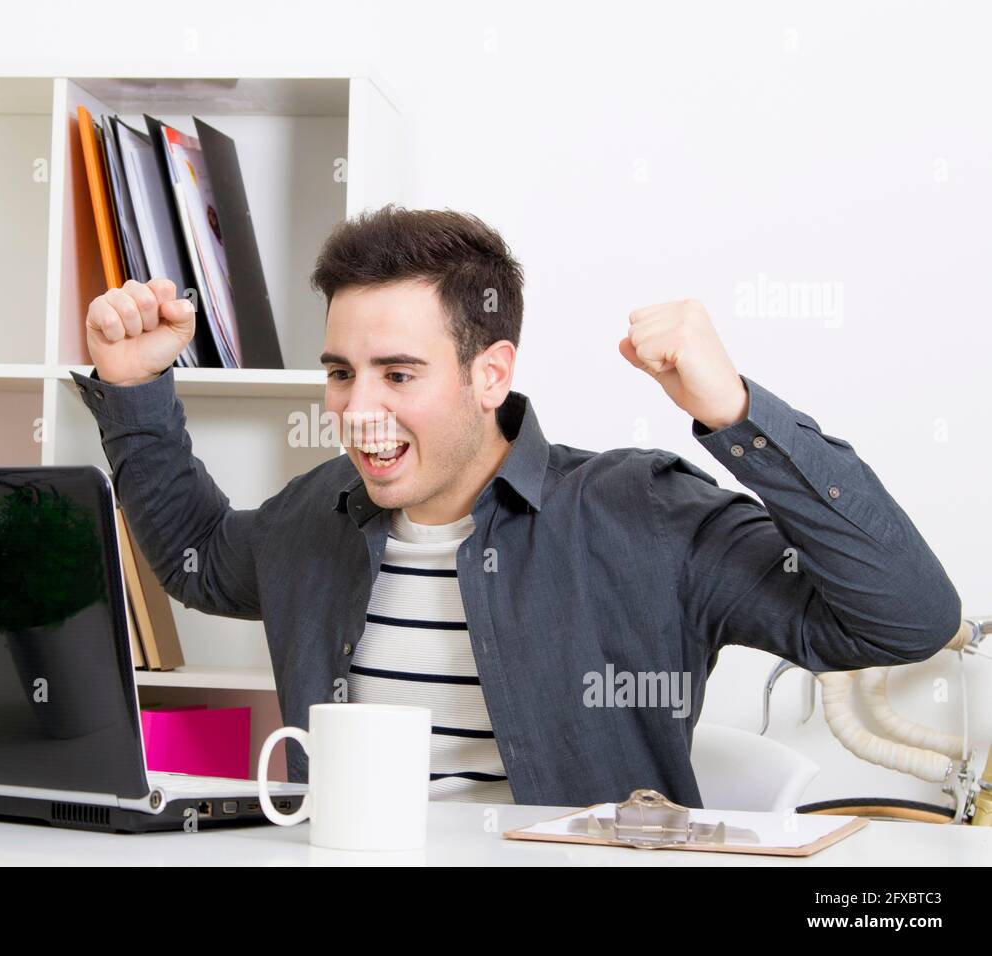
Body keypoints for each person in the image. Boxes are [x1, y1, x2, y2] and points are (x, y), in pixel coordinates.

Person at [69, 204, 960, 808]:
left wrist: (735, 414)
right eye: (341, 373)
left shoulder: (640, 513)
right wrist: (136, 390)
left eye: (399, 374)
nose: (358, 410)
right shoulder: (321, 512)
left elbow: (906, 619)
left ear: (490, 372)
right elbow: (198, 558)